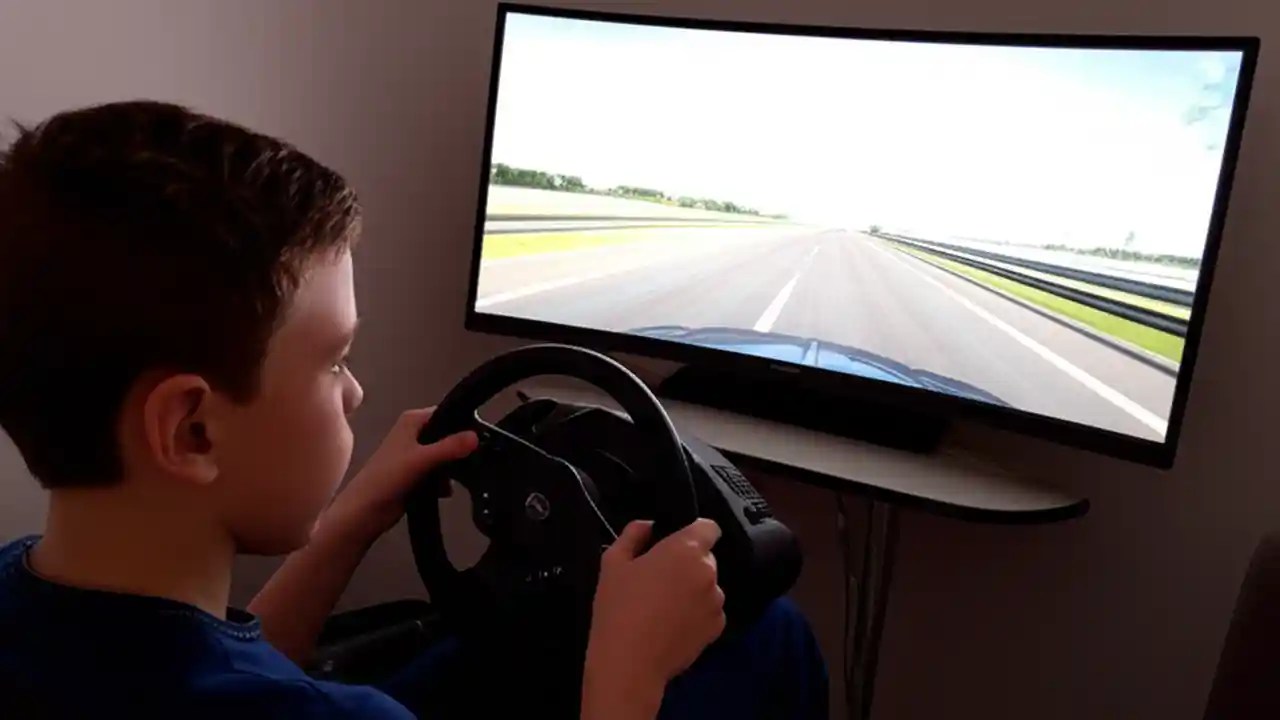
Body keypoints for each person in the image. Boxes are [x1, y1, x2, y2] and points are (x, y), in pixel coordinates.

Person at [0, 101, 827, 719]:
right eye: (334, 362)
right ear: (193, 430)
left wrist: (352, 518)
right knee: (770, 638)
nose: (356, 392)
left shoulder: (25, 586)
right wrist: (627, 677)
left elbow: (220, 659)